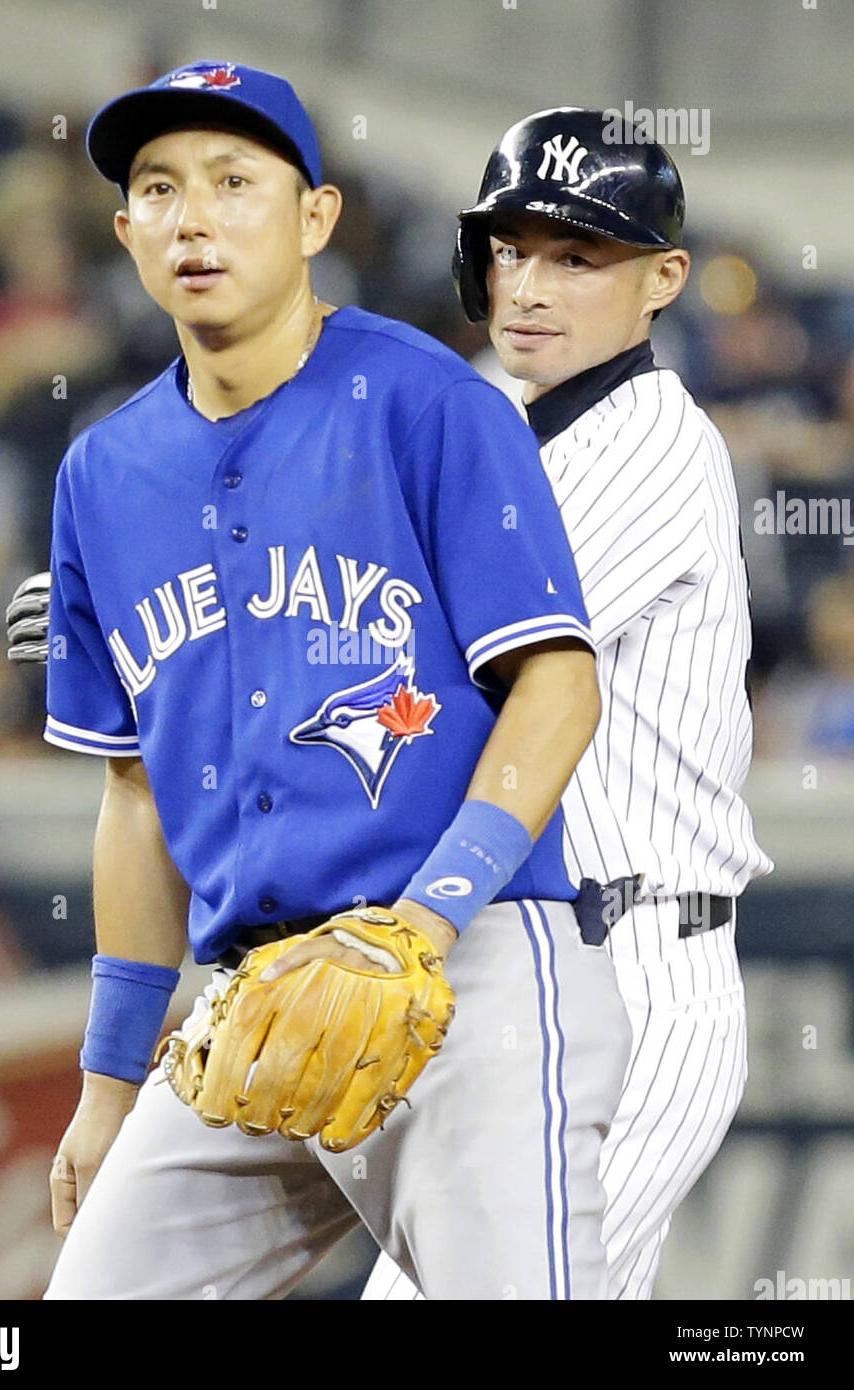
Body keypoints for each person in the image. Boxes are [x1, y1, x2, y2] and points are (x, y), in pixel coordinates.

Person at [34, 64, 631, 1300]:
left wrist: (419, 924)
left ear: (314, 219)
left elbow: (559, 685)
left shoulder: (430, 404)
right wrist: (105, 1087)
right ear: (125, 233)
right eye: (159, 189)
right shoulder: (100, 474)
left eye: (233, 183)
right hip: (253, 1006)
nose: (192, 217)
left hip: (466, 965)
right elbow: (133, 798)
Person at [362, 109, 773, 1303]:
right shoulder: (488, 409)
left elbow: (446, 645)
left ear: (661, 279)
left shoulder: (653, 444)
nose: (530, 286)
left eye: (577, 258)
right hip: (521, 969)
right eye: (511, 251)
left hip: (642, 970)